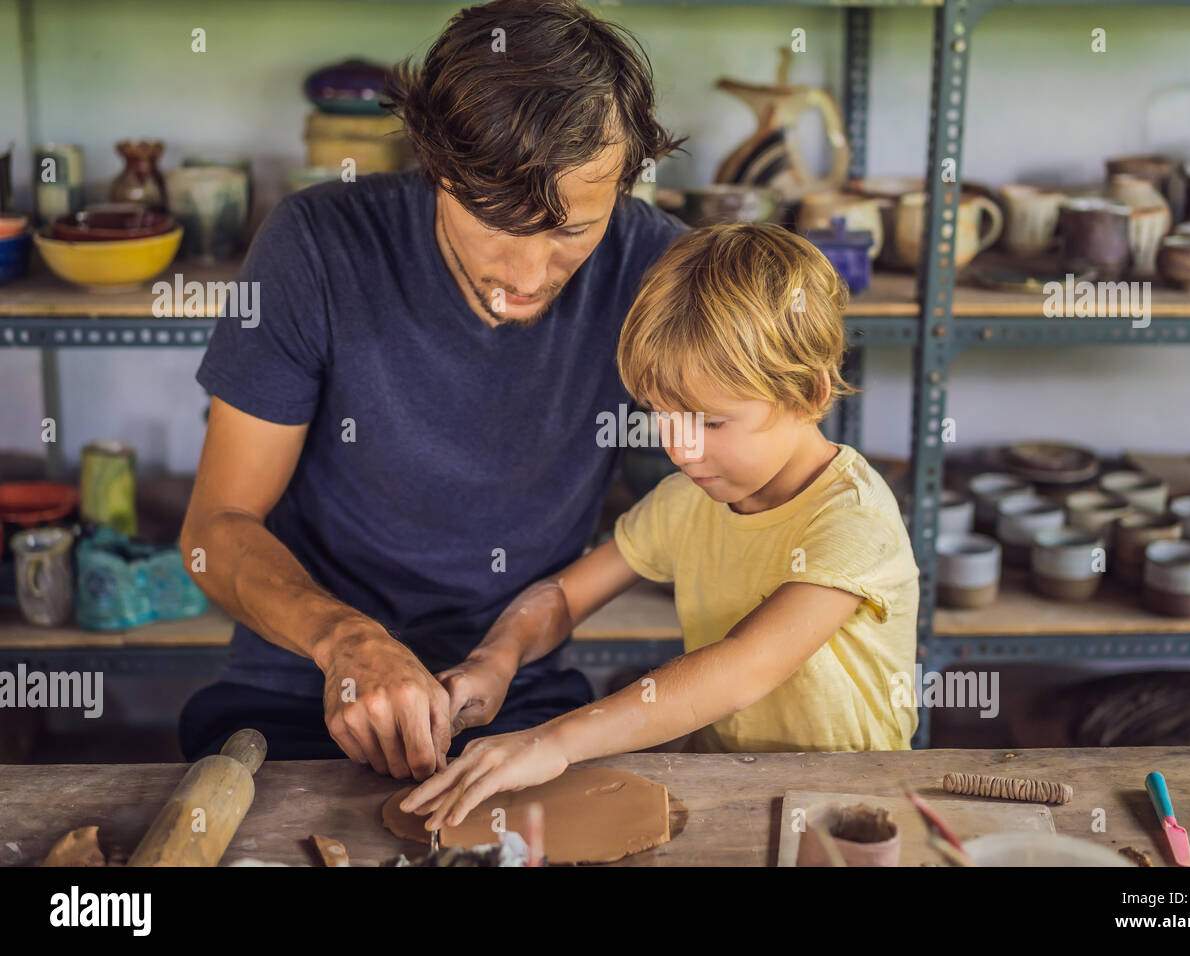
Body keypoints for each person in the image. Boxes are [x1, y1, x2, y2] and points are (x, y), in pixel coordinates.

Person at [177, 0, 688, 778]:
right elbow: (215, 529)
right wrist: (346, 641)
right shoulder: (317, 246)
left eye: (569, 231)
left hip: (519, 698)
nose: (525, 277)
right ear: (438, 166)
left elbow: (771, 482)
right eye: (499, 224)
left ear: (623, 184)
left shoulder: (659, 269)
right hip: (301, 686)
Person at [400, 223, 920, 830]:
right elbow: (564, 596)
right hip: (731, 788)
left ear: (807, 395)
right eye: (661, 418)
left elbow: (744, 666)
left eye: (711, 423)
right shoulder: (688, 500)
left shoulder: (854, 520)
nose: (680, 450)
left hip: (853, 806)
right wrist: (497, 658)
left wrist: (555, 742)